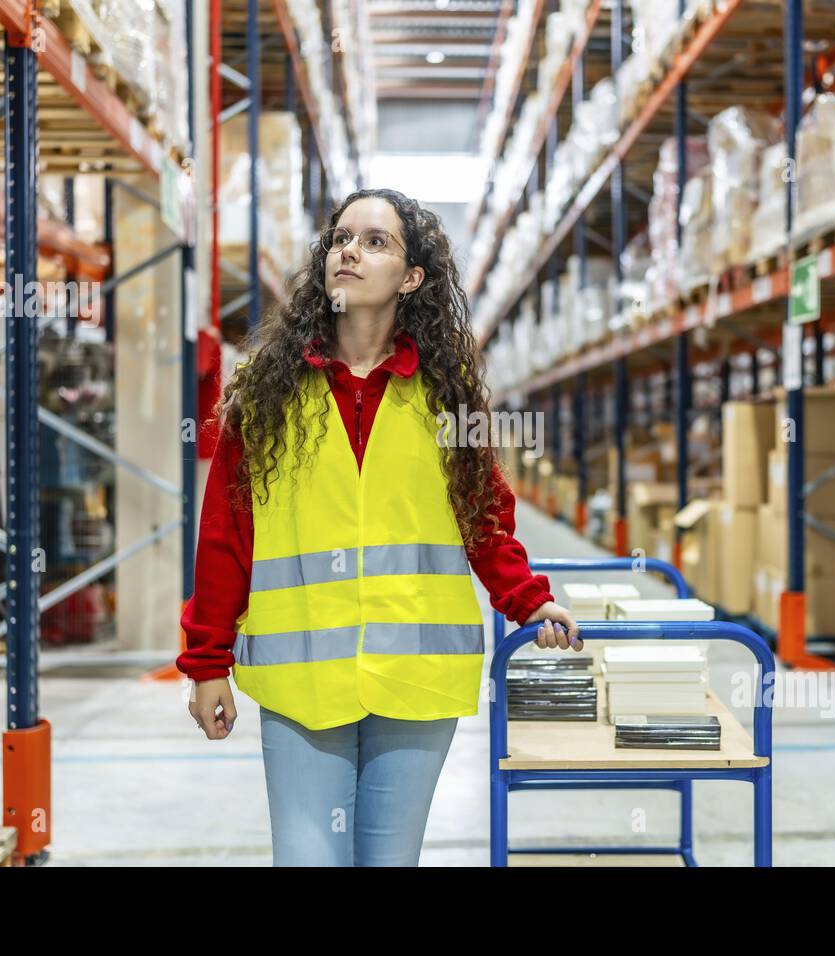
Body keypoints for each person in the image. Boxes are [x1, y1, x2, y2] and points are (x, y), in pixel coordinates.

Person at [177, 187, 582, 866]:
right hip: (301, 683)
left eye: (375, 241)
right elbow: (225, 535)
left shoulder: (447, 395)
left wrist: (526, 598)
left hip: (415, 677)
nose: (350, 251)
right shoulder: (265, 393)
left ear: (412, 276)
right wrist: (206, 660)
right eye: (341, 238)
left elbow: (484, 516)